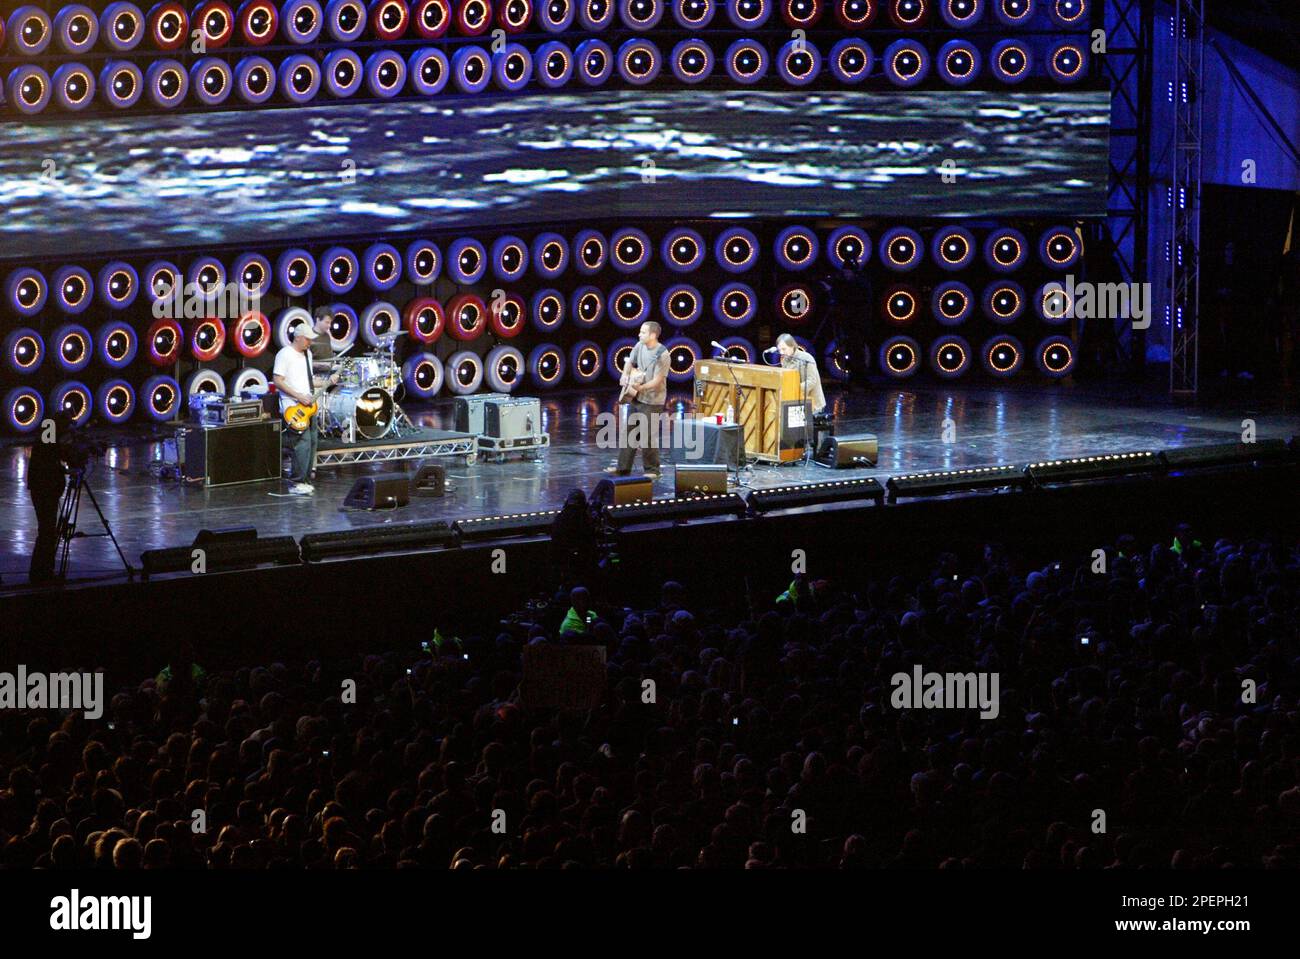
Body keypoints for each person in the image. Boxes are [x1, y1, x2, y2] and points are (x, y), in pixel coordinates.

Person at [273, 323, 338, 495]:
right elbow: (278, 381)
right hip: (293, 406)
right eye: (308, 339)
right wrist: (298, 396)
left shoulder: (307, 354)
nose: (310, 342)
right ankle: (297, 482)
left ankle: (305, 479)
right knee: (301, 443)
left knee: (312, 441)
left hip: (309, 406)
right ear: (298, 337)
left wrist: (327, 382)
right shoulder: (285, 354)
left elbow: (308, 381)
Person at [609, 320, 670, 478]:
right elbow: (629, 362)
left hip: (653, 400)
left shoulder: (662, 354)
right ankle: (623, 468)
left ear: (653, 335)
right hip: (637, 397)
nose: (639, 334)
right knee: (629, 433)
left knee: (647, 435)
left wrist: (639, 389)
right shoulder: (639, 345)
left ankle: (653, 470)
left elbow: (657, 381)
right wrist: (624, 375)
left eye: (643, 332)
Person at [27, 411, 72, 584]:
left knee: (48, 531)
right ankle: (41, 573)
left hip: (45, 488)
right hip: (44, 489)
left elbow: (53, 454)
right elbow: (50, 454)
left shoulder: (50, 431)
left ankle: (43, 571)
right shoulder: (49, 430)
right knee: (47, 532)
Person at [775, 333, 826, 415]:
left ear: (792, 346)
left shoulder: (806, 358)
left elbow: (812, 381)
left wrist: (794, 390)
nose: (781, 352)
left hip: (812, 403)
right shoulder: (785, 360)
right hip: (794, 402)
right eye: (779, 350)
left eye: (784, 349)